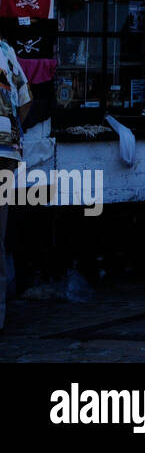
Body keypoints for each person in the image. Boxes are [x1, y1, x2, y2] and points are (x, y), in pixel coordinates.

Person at [0, 30, 32, 334]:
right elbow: (25, 99)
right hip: (7, 149)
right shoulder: (6, 49)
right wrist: (13, 133)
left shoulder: (7, 49)